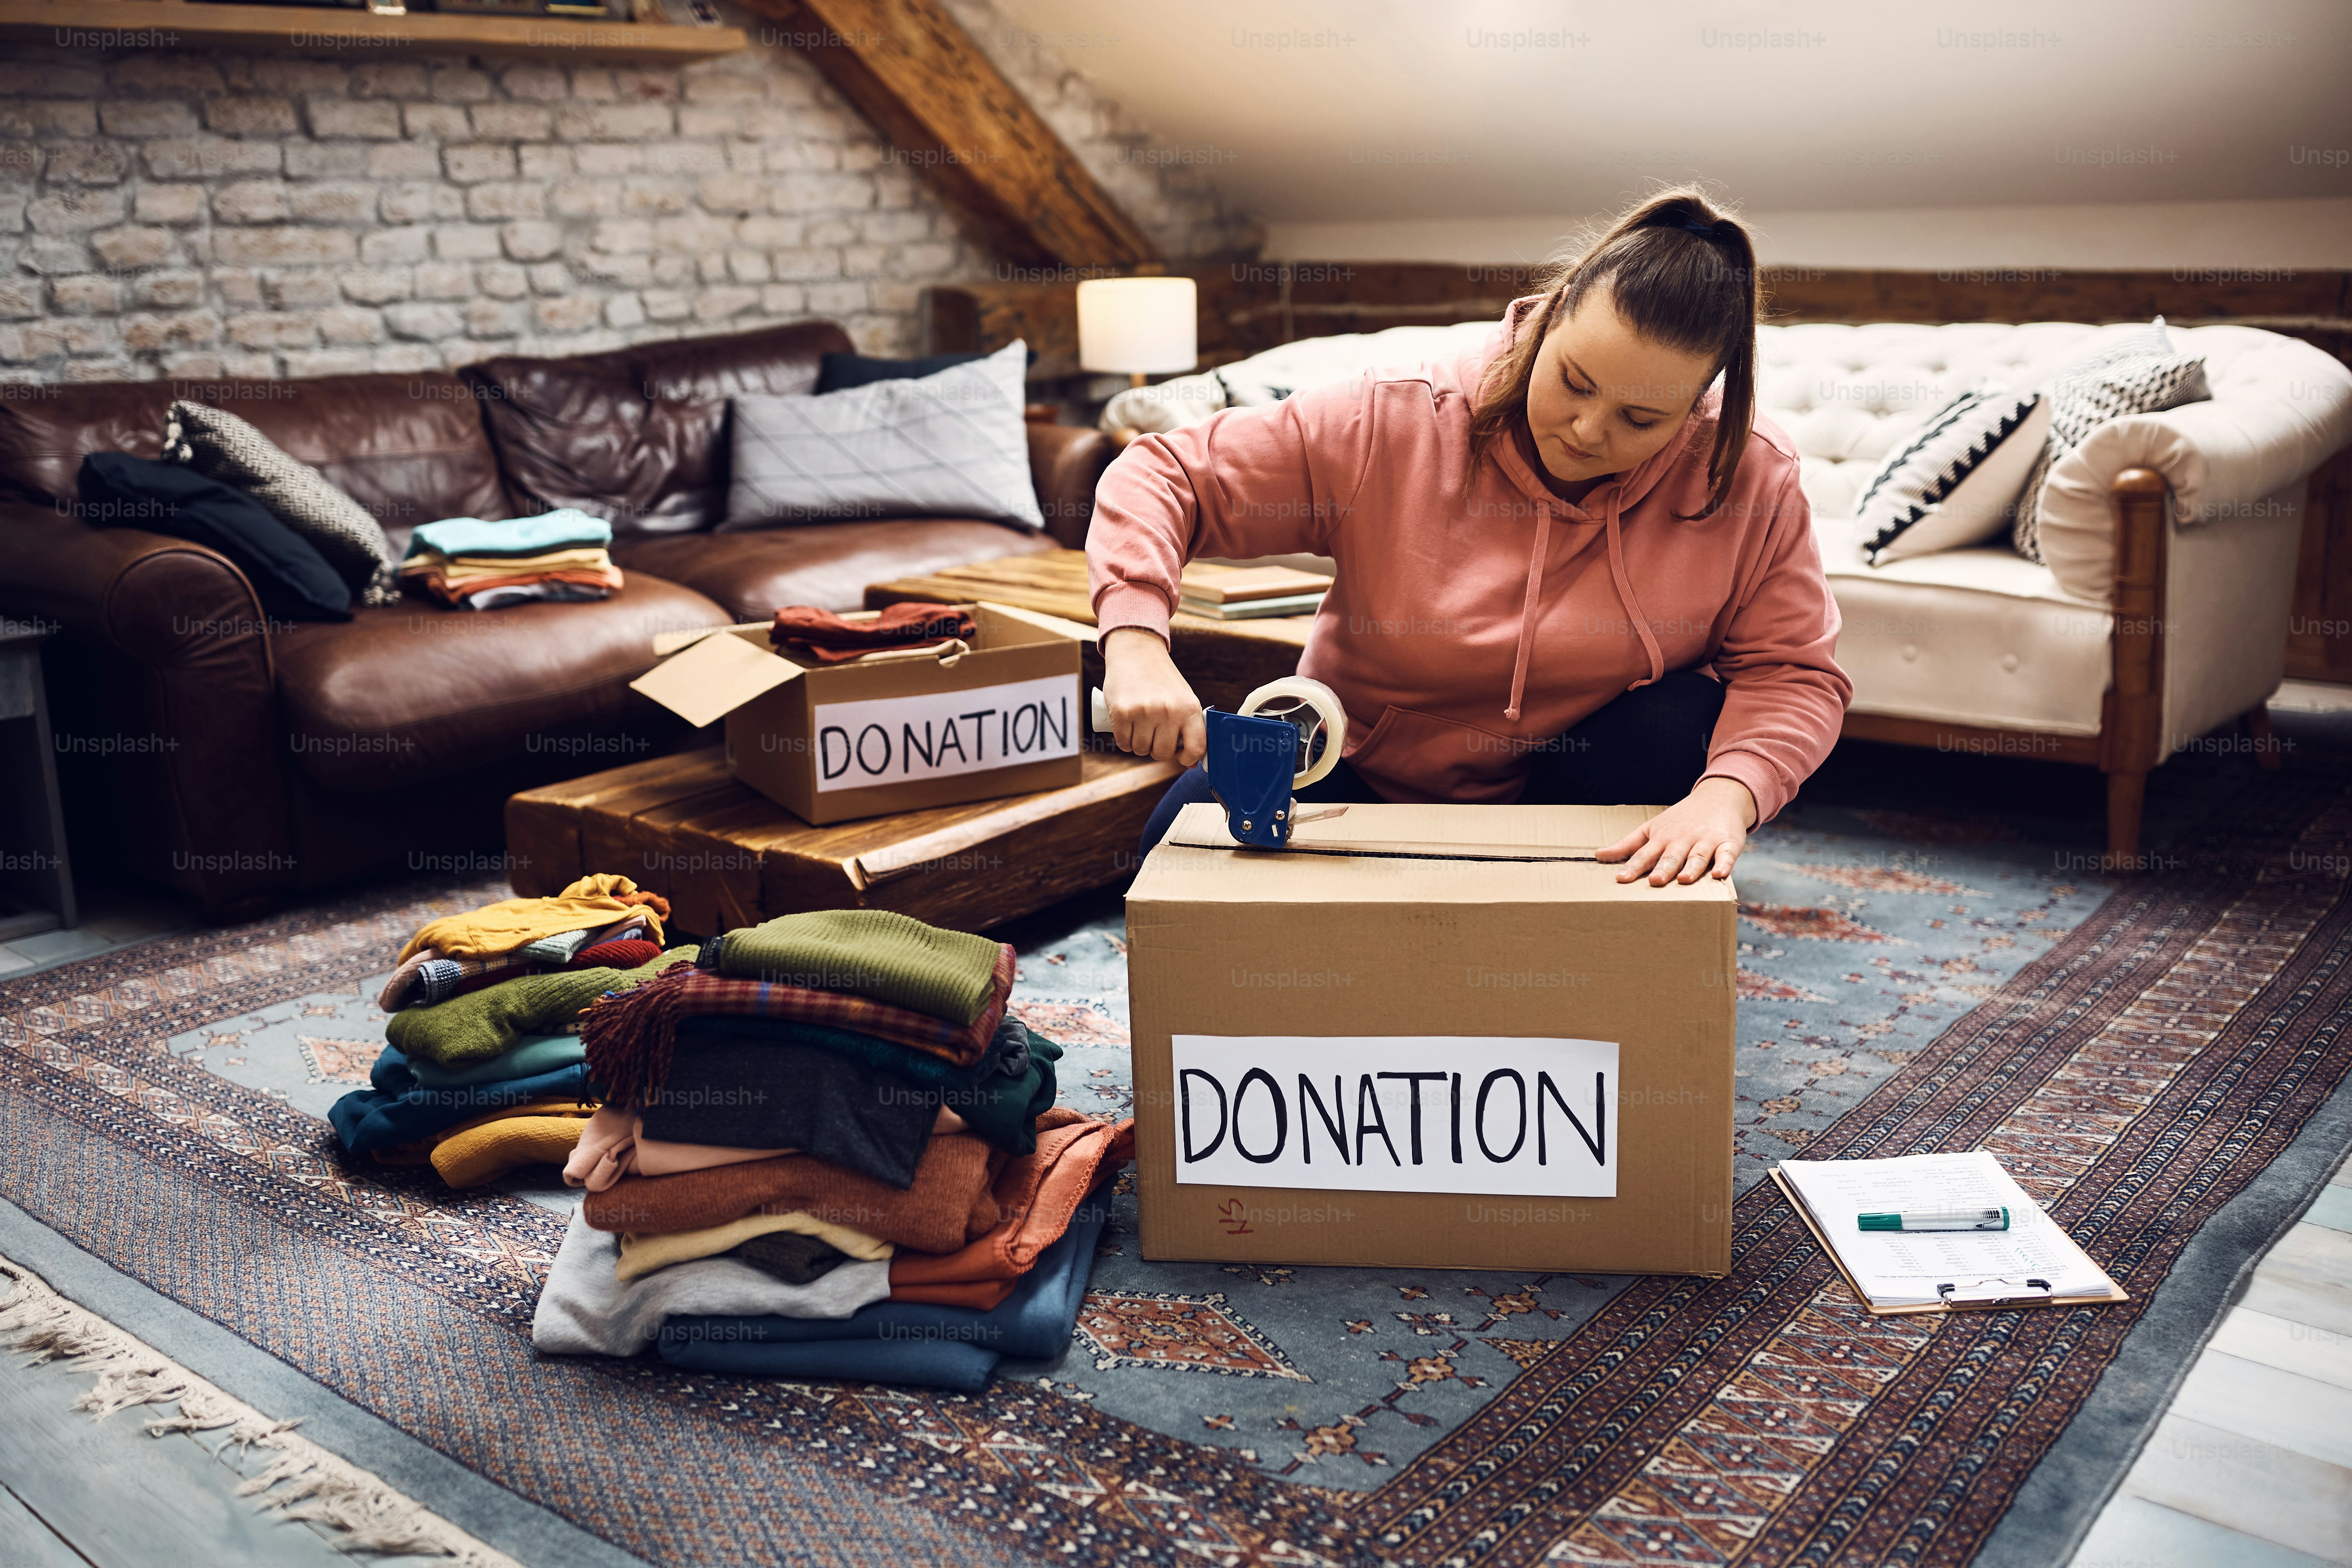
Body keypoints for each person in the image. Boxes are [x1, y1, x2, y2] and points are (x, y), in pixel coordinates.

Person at [1089, 186, 1851, 886]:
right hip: (1355, 767)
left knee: (1680, 720)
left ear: (1696, 407)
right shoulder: (1392, 419)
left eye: (1640, 419)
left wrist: (1727, 796)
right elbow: (1164, 474)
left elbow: (1794, 671)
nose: (1588, 431)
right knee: (1176, 845)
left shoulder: (1746, 473)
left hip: (1567, 794)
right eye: (1575, 382)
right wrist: (1135, 645)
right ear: (1548, 319)